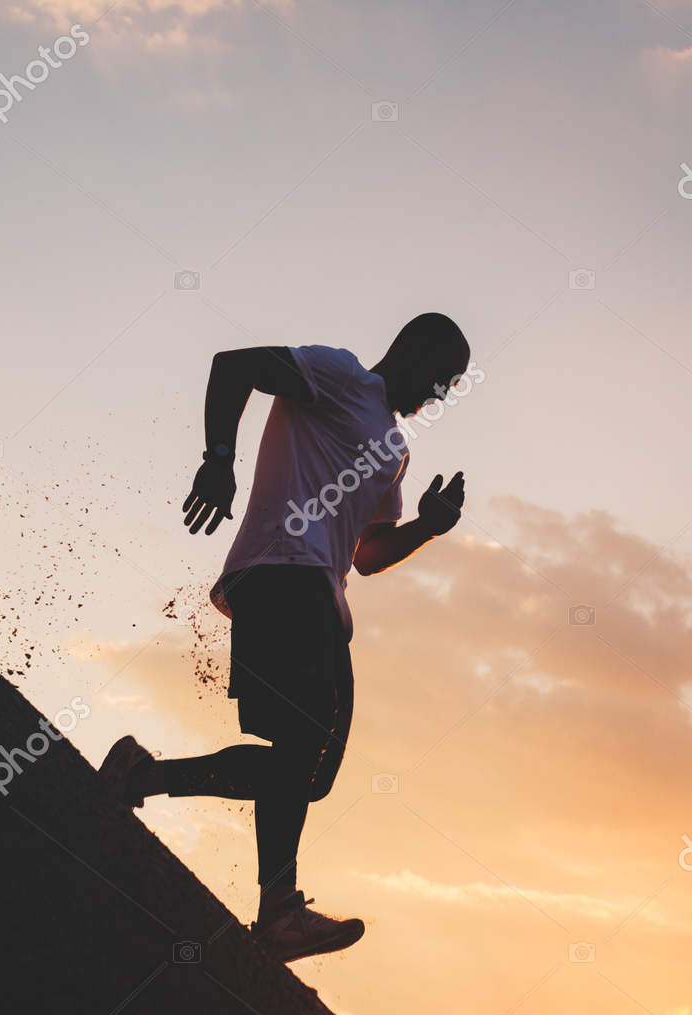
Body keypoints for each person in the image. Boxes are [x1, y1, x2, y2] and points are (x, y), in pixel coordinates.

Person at [99, 313, 472, 962]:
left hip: (324, 598)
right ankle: (278, 910)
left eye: (450, 388)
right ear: (412, 350)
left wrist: (426, 529)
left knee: (310, 773)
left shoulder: (395, 446)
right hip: (279, 573)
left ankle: (139, 774)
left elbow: (367, 554)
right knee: (299, 746)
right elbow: (235, 364)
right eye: (440, 378)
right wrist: (220, 459)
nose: (438, 394)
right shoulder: (339, 374)